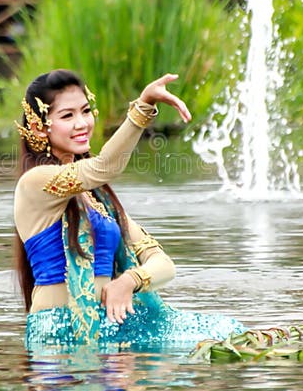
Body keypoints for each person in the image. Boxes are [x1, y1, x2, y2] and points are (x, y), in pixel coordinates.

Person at [14, 69, 245, 352]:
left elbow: (163, 264)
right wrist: (143, 107)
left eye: (86, 111)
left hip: (108, 329)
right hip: (59, 335)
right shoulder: (35, 183)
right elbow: (104, 167)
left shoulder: (100, 201)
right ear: (39, 127)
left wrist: (129, 281)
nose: (82, 123)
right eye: (67, 116)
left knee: (228, 333)